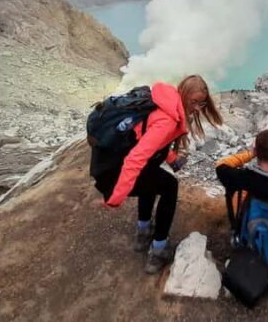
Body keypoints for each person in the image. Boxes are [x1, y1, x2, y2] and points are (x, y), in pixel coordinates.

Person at [93, 75, 223, 273]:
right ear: (184, 94)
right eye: (194, 102)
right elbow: (136, 158)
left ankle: (143, 233)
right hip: (112, 172)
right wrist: (116, 197)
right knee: (170, 186)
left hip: (107, 162)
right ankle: (159, 250)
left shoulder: (165, 100)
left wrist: (171, 159)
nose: (198, 108)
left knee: (152, 178)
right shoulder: (168, 120)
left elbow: (149, 140)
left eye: (202, 103)